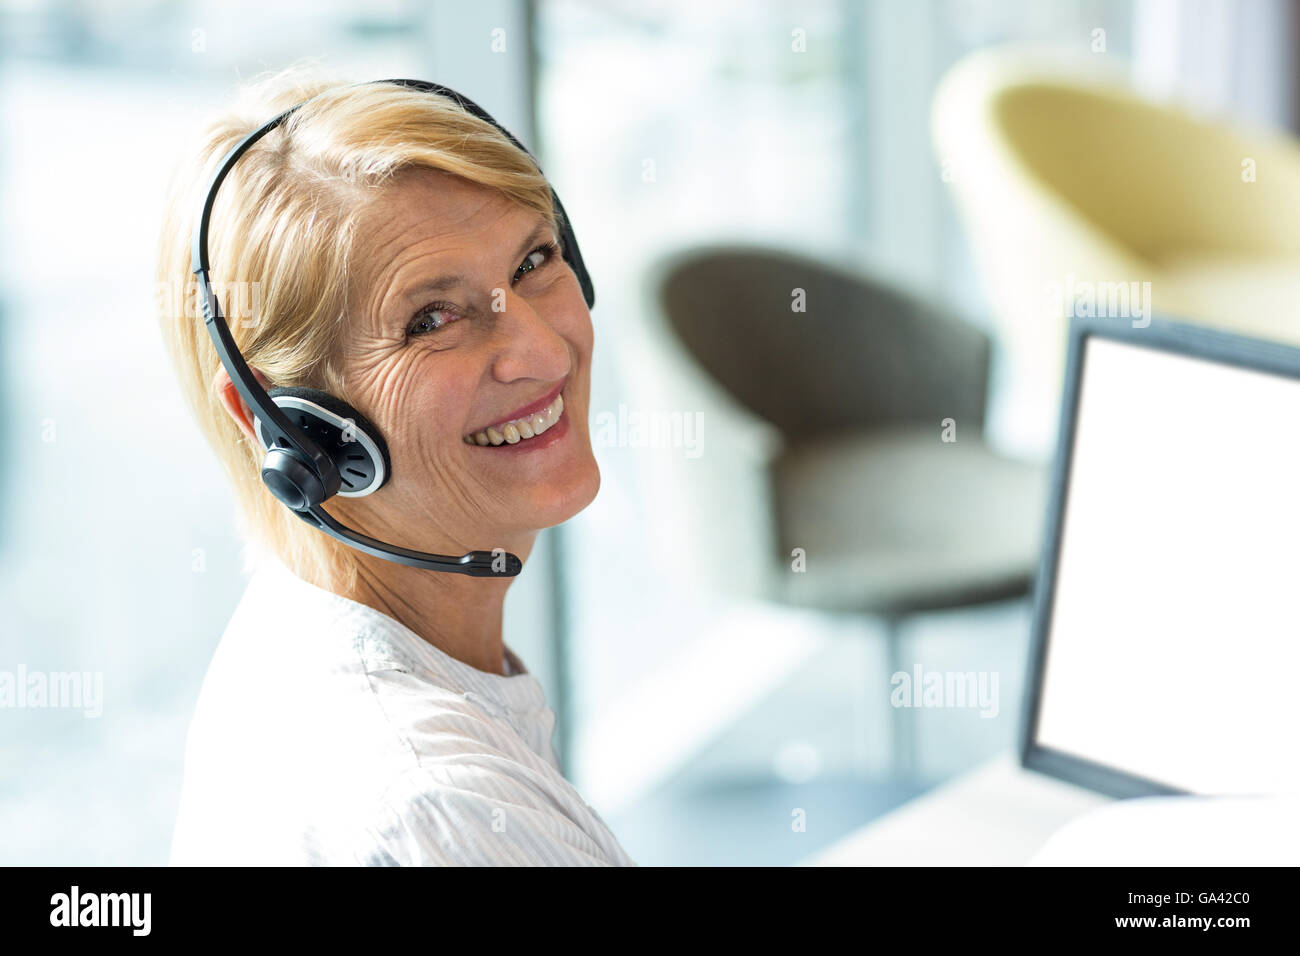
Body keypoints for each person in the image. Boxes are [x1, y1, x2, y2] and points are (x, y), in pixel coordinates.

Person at [156, 68, 634, 865]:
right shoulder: (439, 811)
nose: (544, 352)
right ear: (285, 422)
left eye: (533, 261)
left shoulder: (292, 633)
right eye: (432, 319)